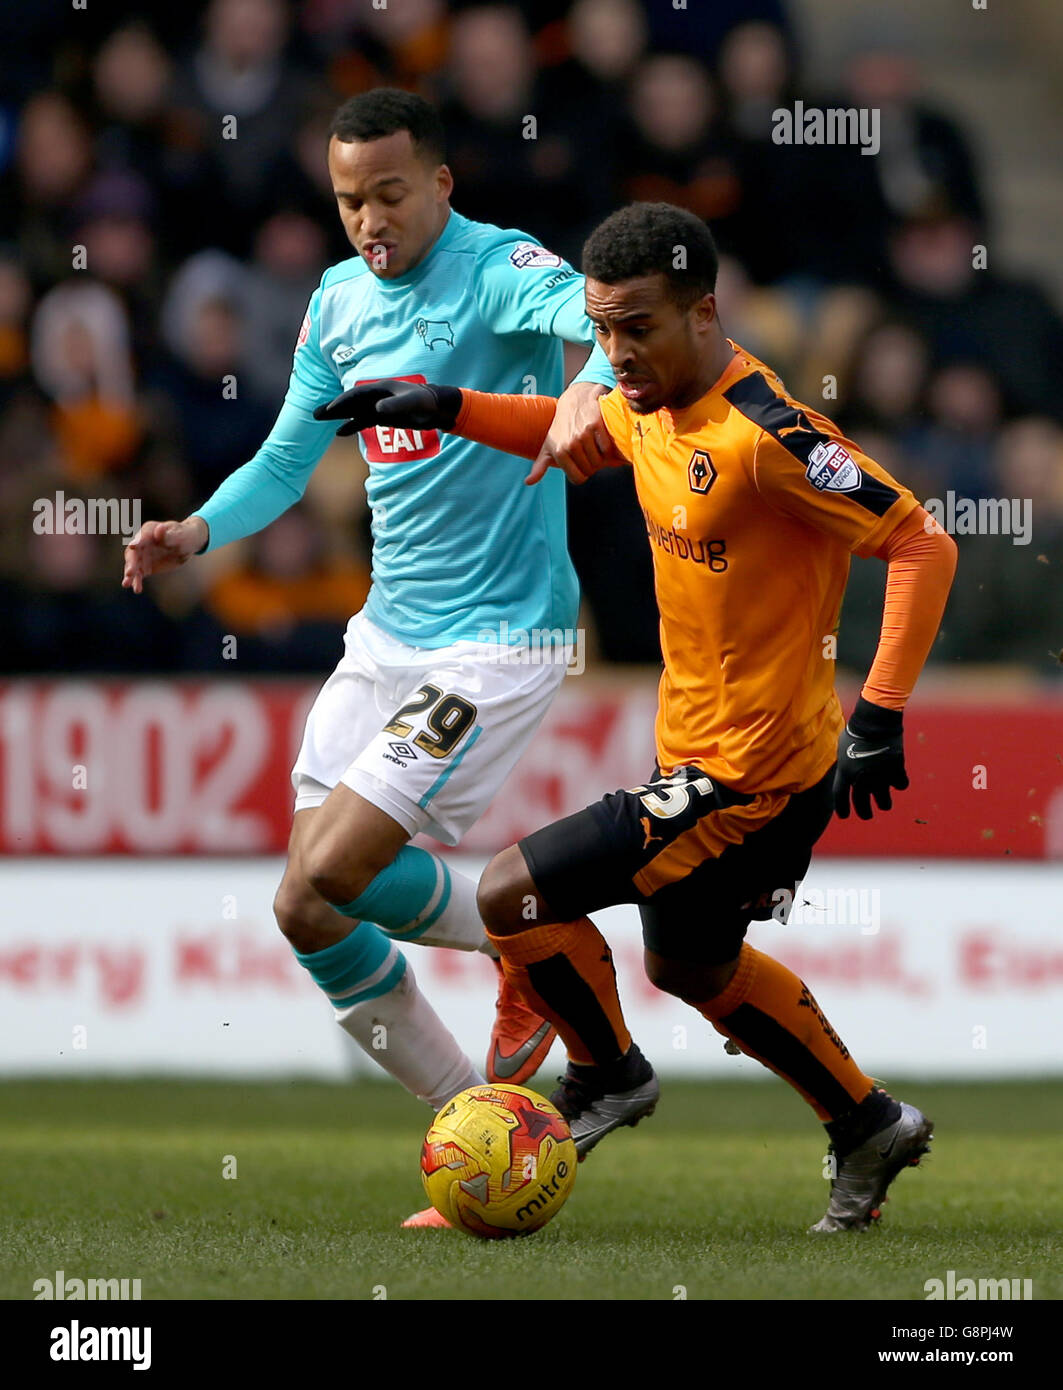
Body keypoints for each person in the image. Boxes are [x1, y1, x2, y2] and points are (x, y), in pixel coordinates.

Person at [319, 202, 958, 1233]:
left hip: (750, 776)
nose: (613, 352)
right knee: (689, 967)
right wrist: (441, 402)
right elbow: (566, 429)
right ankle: (868, 1122)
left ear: (705, 313)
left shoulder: (767, 436)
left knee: (512, 892)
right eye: (600, 327)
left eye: (637, 328)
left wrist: (878, 715)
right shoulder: (643, 400)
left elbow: (923, 544)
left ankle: (607, 1074)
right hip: (701, 757)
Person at [121, 89, 613, 1226]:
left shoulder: (496, 268)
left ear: (439, 183)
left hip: (501, 637)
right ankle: (479, 1134)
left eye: (390, 192)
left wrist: (585, 385)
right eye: (349, 199)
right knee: (303, 903)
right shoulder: (338, 303)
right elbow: (289, 460)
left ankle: (530, 935)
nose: (368, 218)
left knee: (337, 862)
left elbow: (593, 316)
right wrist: (195, 530)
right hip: (388, 636)